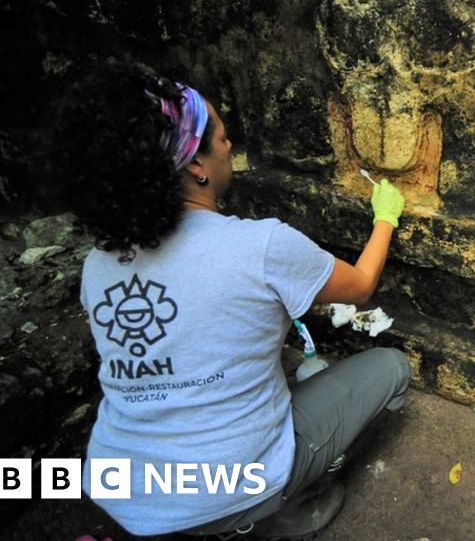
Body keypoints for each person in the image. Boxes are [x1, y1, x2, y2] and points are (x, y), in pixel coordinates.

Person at [50, 60, 411, 539]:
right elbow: (362, 286)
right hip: (229, 486)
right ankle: (278, 513)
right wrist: (385, 217)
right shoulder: (260, 247)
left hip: (121, 488)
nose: (228, 146)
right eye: (221, 138)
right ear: (196, 164)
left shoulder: (98, 265)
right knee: (390, 367)